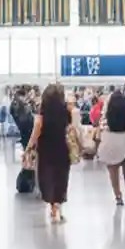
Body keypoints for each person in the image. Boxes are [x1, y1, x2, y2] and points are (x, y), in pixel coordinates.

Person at [27, 84, 73, 223]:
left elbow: (36, 133)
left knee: (47, 178)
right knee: (61, 178)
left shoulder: (42, 116)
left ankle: (53, 206)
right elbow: (70, 129)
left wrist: (28, 148)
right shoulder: (66, 113)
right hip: (62, 149)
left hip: (46, 151)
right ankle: (57, 206)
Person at [98, 91, 125, 206]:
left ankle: (118, 196)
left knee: (113, 171)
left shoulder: (108, 113)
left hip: (110, 141)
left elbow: (102, 126)